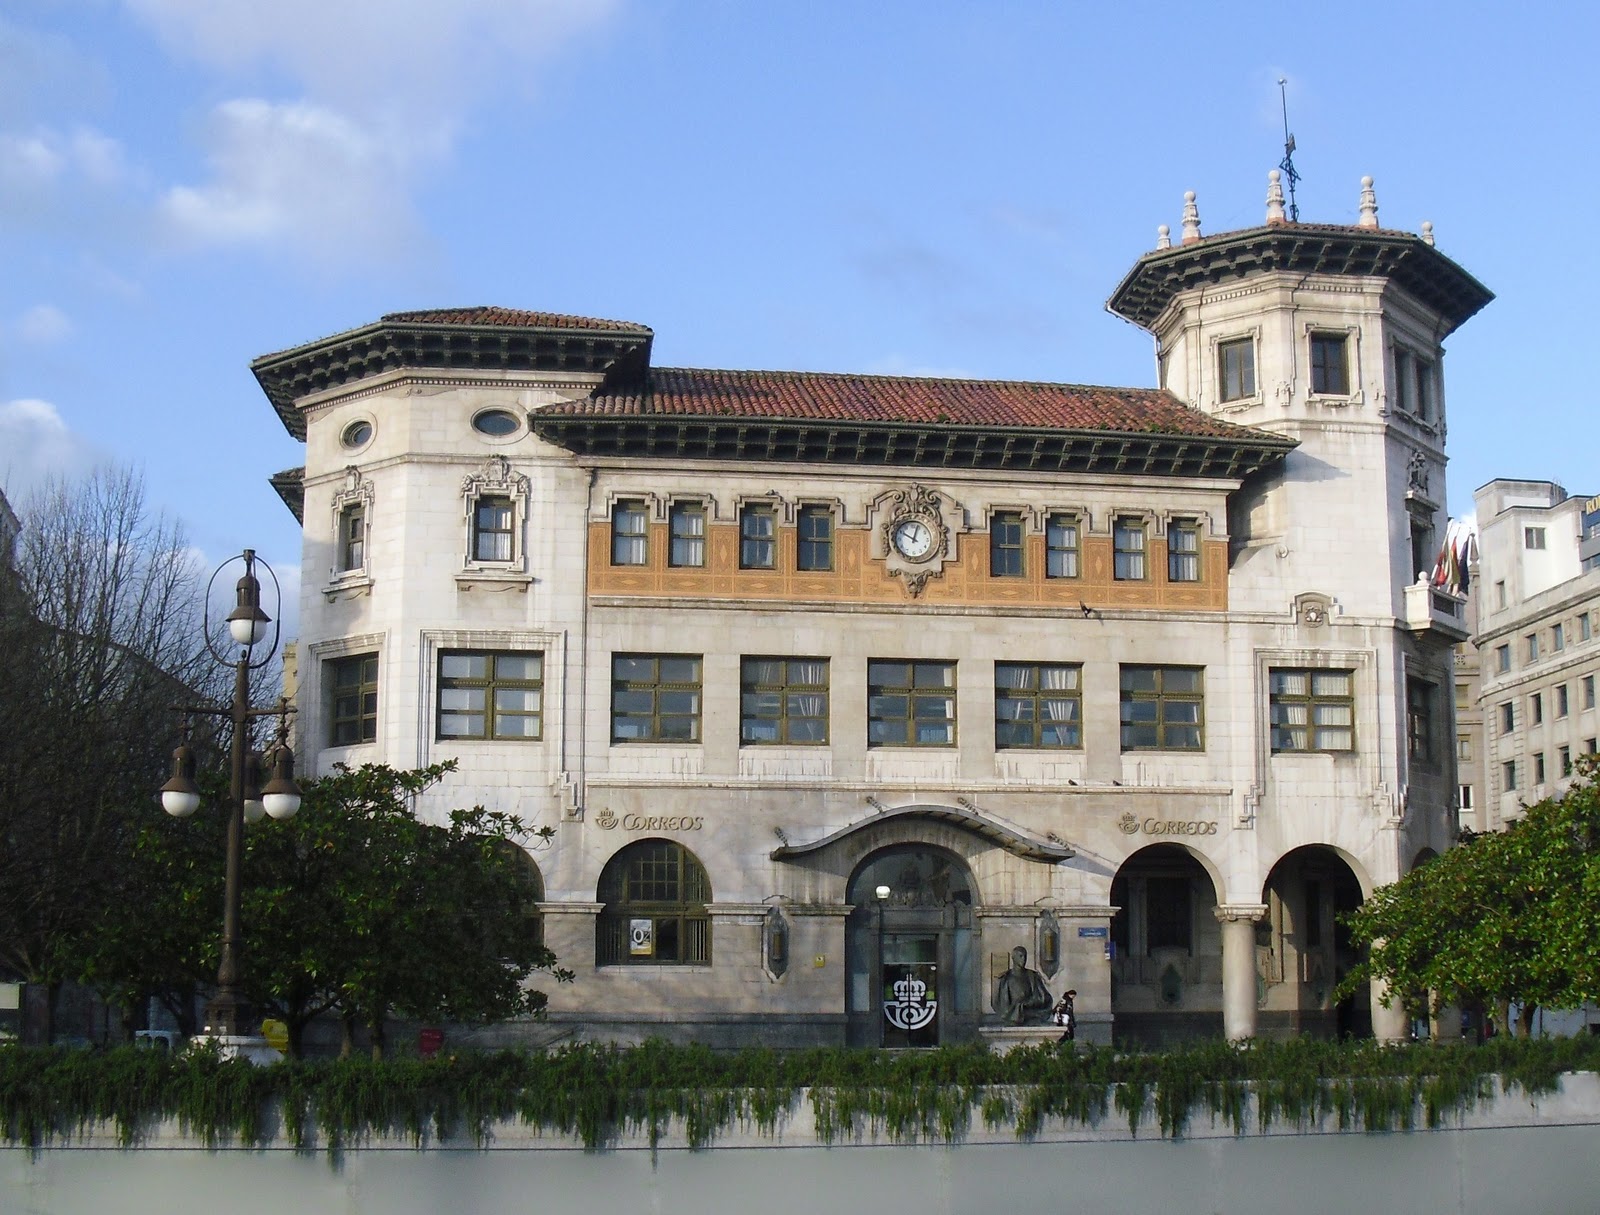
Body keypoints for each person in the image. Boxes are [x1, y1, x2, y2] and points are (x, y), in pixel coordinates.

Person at [993, 945, 1053, 1026]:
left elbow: (1045, 997)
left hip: (1032, 1013)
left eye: (1025, 956)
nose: (1024, 959)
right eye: (1020, 956)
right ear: (1013, 958)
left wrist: (1030, 1002)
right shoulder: (1005, 979)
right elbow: (999, 1004)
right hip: (1013, 1015)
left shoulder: (1033, 976)